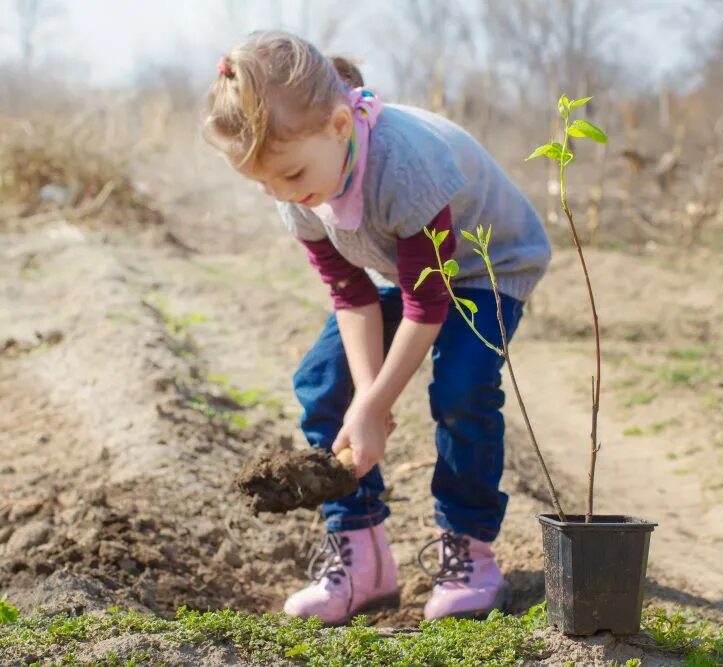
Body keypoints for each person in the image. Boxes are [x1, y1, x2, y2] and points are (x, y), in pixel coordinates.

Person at [202, 30, 551, 625]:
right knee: (323, 380)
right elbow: (353, 296)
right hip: (403, 270)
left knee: (462, 386)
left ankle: (468, 550)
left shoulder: (405, 164)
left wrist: (378, 406)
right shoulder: (299, 185)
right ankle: (361, 559)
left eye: (287, 176)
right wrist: (367, 399)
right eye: (264, 184)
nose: (282, 194)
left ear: (340, 126)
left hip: (488, 265)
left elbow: (428, 305)